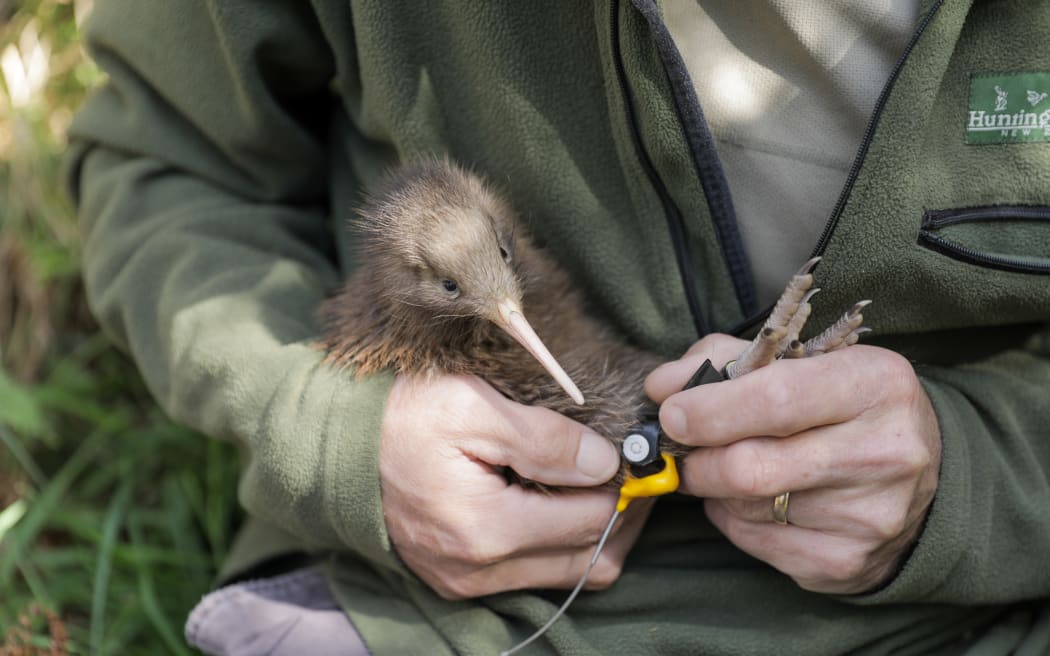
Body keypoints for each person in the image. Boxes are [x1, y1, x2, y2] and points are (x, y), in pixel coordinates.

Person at [67, 1, 1050, 654]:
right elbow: (167, 160)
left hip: (974, 614)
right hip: (446, 612)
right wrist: (338, 435)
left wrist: (967, 474)